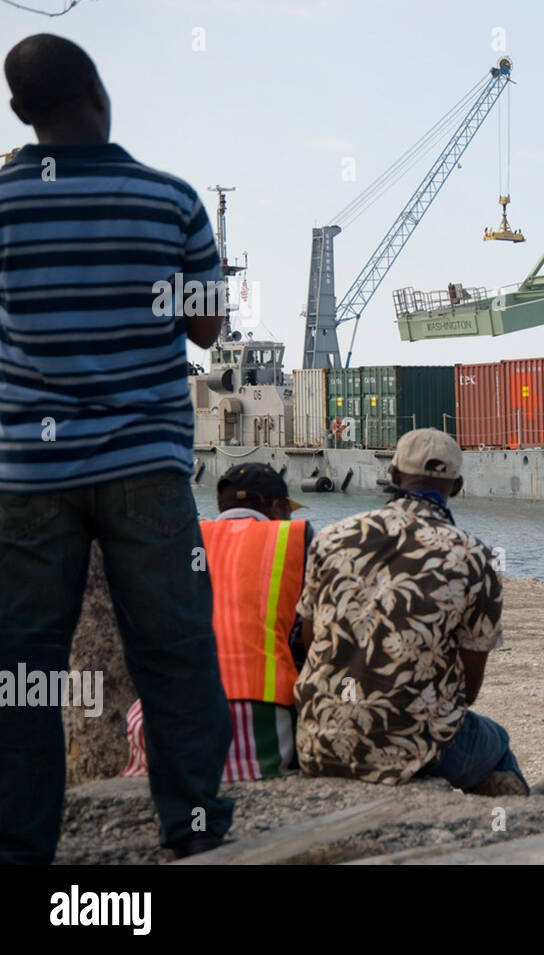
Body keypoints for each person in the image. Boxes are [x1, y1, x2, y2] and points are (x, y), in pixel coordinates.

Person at [0, 35, 233, 862]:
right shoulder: (167, 199)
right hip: (145, 466)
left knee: (23, 663)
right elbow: (207, 327)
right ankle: (191, 820)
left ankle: (21, 845)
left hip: (28, 473)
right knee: (172, 647)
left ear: (22, 113)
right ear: (97, 91)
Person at [294, 428, 544, 796]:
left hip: (318, 740)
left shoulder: (331, 538)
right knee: (495, 741)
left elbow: (310, 642)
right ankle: (521, 812)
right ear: (457, 487)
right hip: (411, 748)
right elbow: (468, 691)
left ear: (392, 476)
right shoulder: (475, 557)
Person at [122, 464, 313, 781]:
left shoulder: (181, 538)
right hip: (254, 723)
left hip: (159, 719)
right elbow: (313, 635)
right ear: (276, 507)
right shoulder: (293, 537)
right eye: (286, 510)